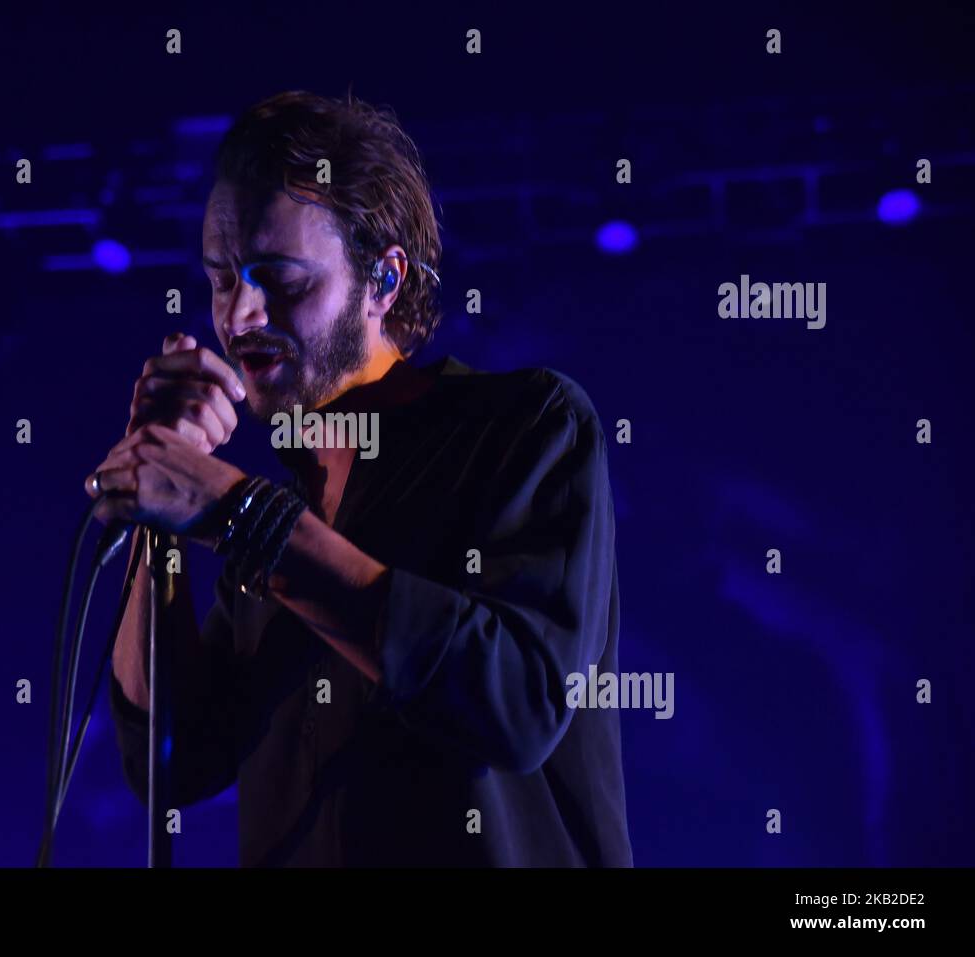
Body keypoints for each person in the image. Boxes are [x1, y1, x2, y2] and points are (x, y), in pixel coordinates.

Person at [87, 90, 631, 866]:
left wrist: (237, 512)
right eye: (220, 278)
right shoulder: (280, 509)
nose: (240, 313)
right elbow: (169, 760)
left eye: (280, 278)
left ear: (383, 279)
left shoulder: (525, 426)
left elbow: (518, 701)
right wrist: (159, 511)